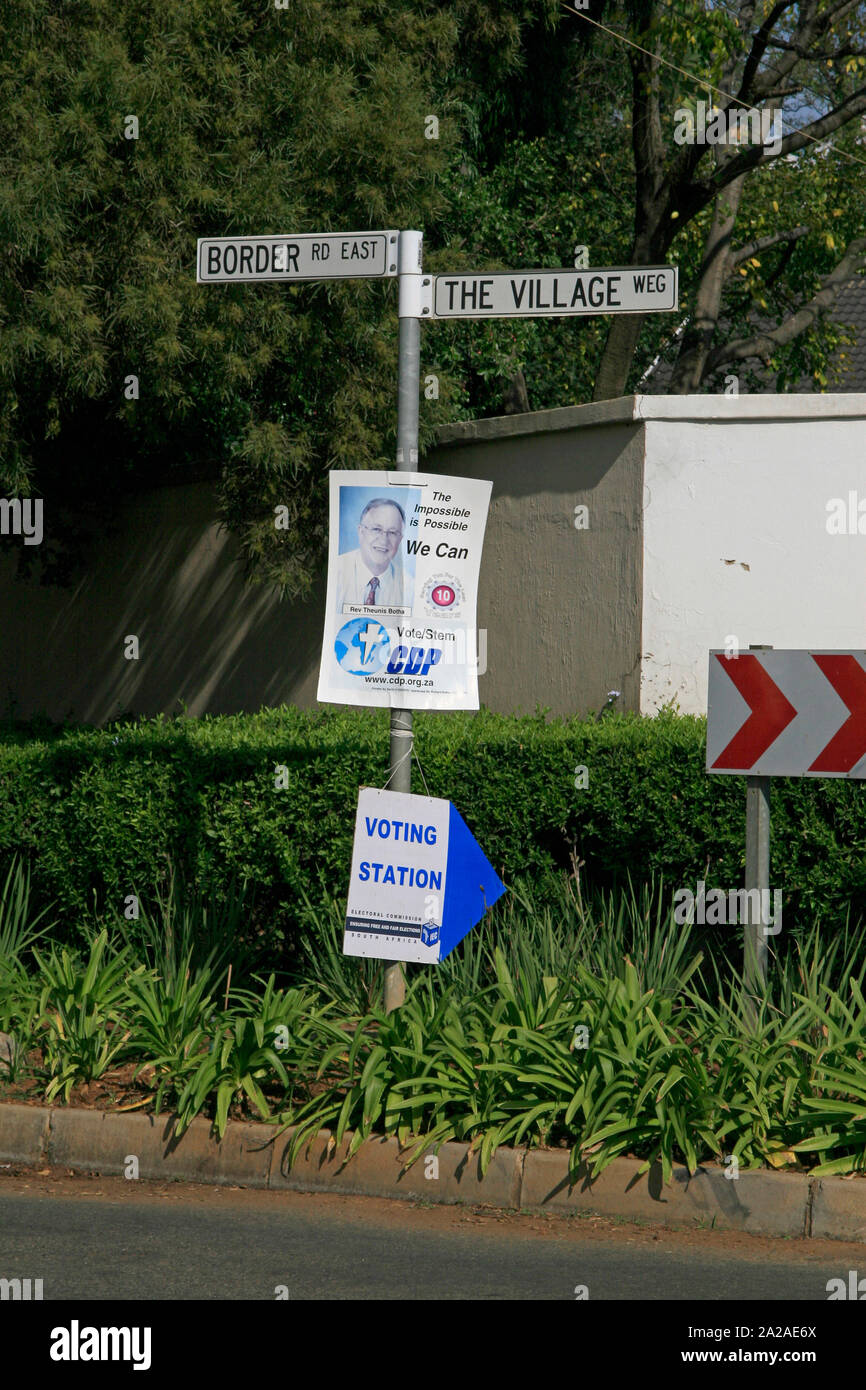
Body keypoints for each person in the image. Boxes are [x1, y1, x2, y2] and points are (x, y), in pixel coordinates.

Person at [335, 498, 410, 610]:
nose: (384, 540)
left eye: (393, 532)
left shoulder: (409, 587)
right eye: (376, 529)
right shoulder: (335, 572)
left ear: (400, 539)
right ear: (361, 532)